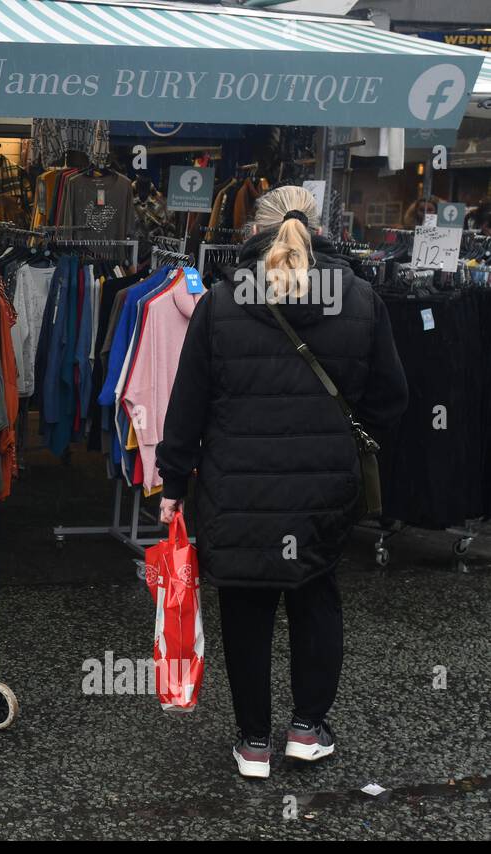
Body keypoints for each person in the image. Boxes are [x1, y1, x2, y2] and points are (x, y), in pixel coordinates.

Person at [157, 186, 407, 779]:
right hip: (323, 487)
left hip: (236, 487)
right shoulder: (362, 299)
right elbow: (392, 400)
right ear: (318, 228)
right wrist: (342, 439)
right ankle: (307, 729)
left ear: (253, 232)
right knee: (315, 593)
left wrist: (172, 482)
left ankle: (252, 744)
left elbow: (187, 404)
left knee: (246, 604)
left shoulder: (220, 302)